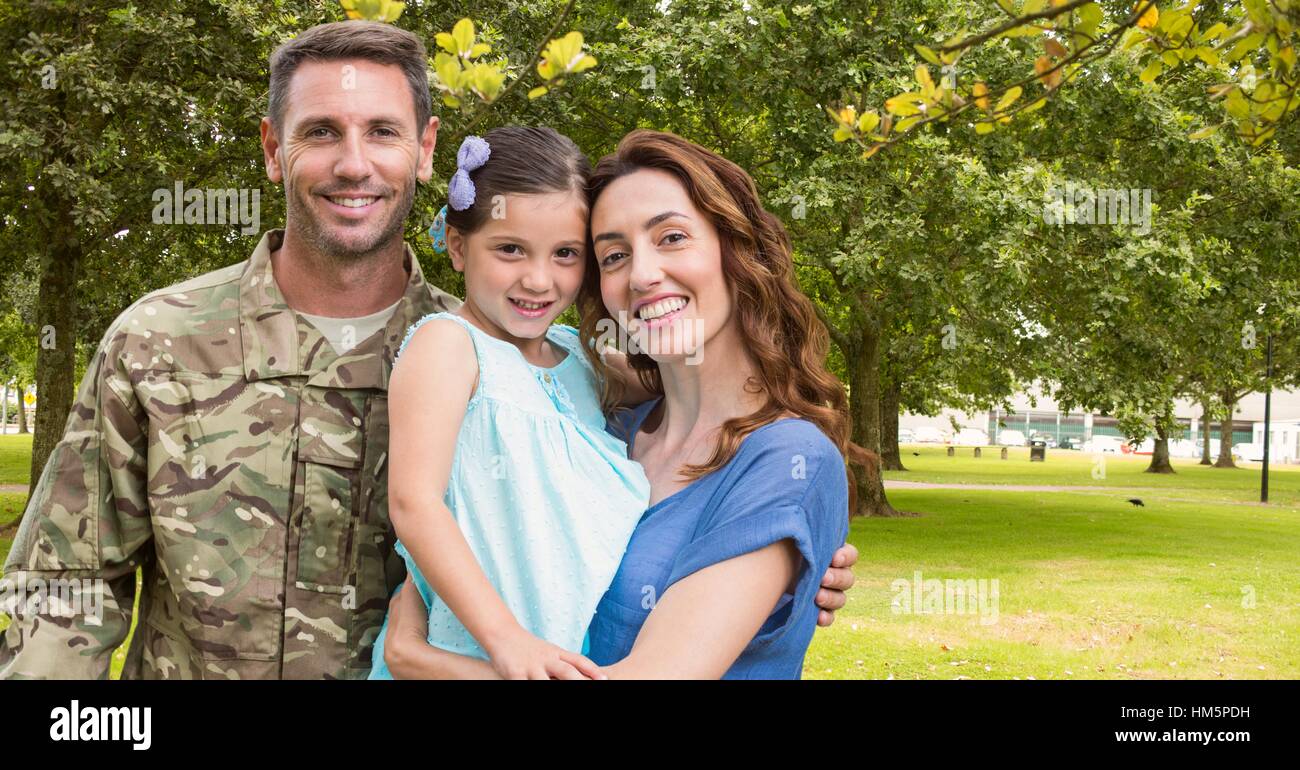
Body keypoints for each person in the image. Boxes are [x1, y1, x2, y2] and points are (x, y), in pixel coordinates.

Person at [0, 21, 857, 680]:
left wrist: (794, 560)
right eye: (320, 132)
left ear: (426, 150)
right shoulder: (160, 341)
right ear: (272, 150)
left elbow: (660, 499)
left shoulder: (520, 364)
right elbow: (60, 588)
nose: (353, 163)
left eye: (381, 131)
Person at [381, 129, 855, 679]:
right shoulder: (609, 428)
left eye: (672, 237)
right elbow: (464, 504)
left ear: (736, 248)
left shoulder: (784, 459)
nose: (644, 274)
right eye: (614, 255)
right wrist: (423, 601)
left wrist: (422, 661)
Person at [368, 126, 650, 680]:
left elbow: (699, 401)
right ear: (456, 246)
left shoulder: (580, 358)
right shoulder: (449, 345)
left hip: (562, 652)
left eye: (565, 253)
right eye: (510, 248)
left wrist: (796, 516)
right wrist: (508, 640)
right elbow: (414, 503)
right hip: (472, 653)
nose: (539, 279)